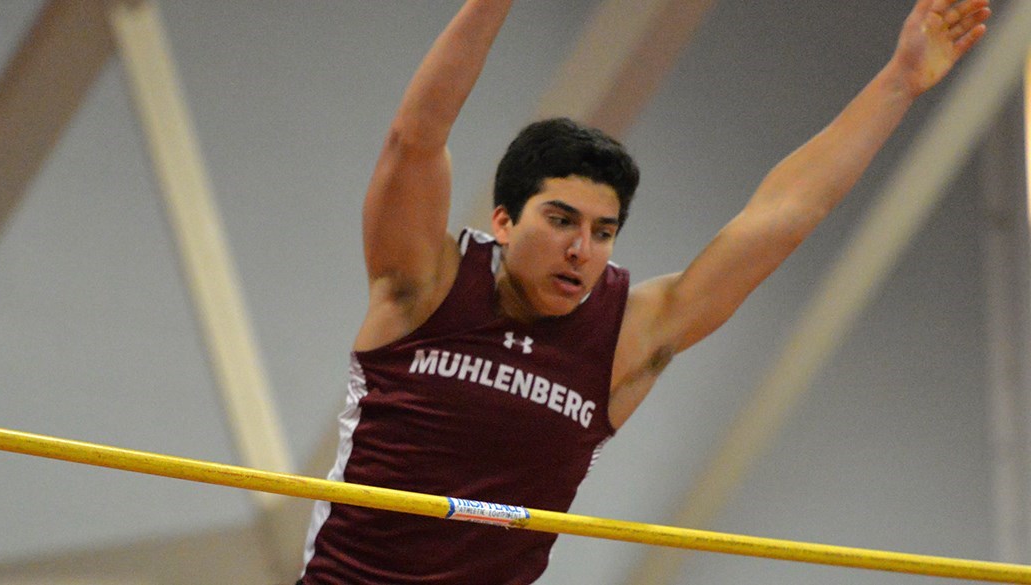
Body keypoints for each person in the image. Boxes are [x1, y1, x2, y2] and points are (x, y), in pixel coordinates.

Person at [298, 0, 990, 583]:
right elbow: (415, 139)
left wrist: (898, 82)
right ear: (503, 221)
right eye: (561, 220)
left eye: (603, 231)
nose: (582, 249)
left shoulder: (627, 337)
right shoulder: (424, 283)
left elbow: (782, 215)